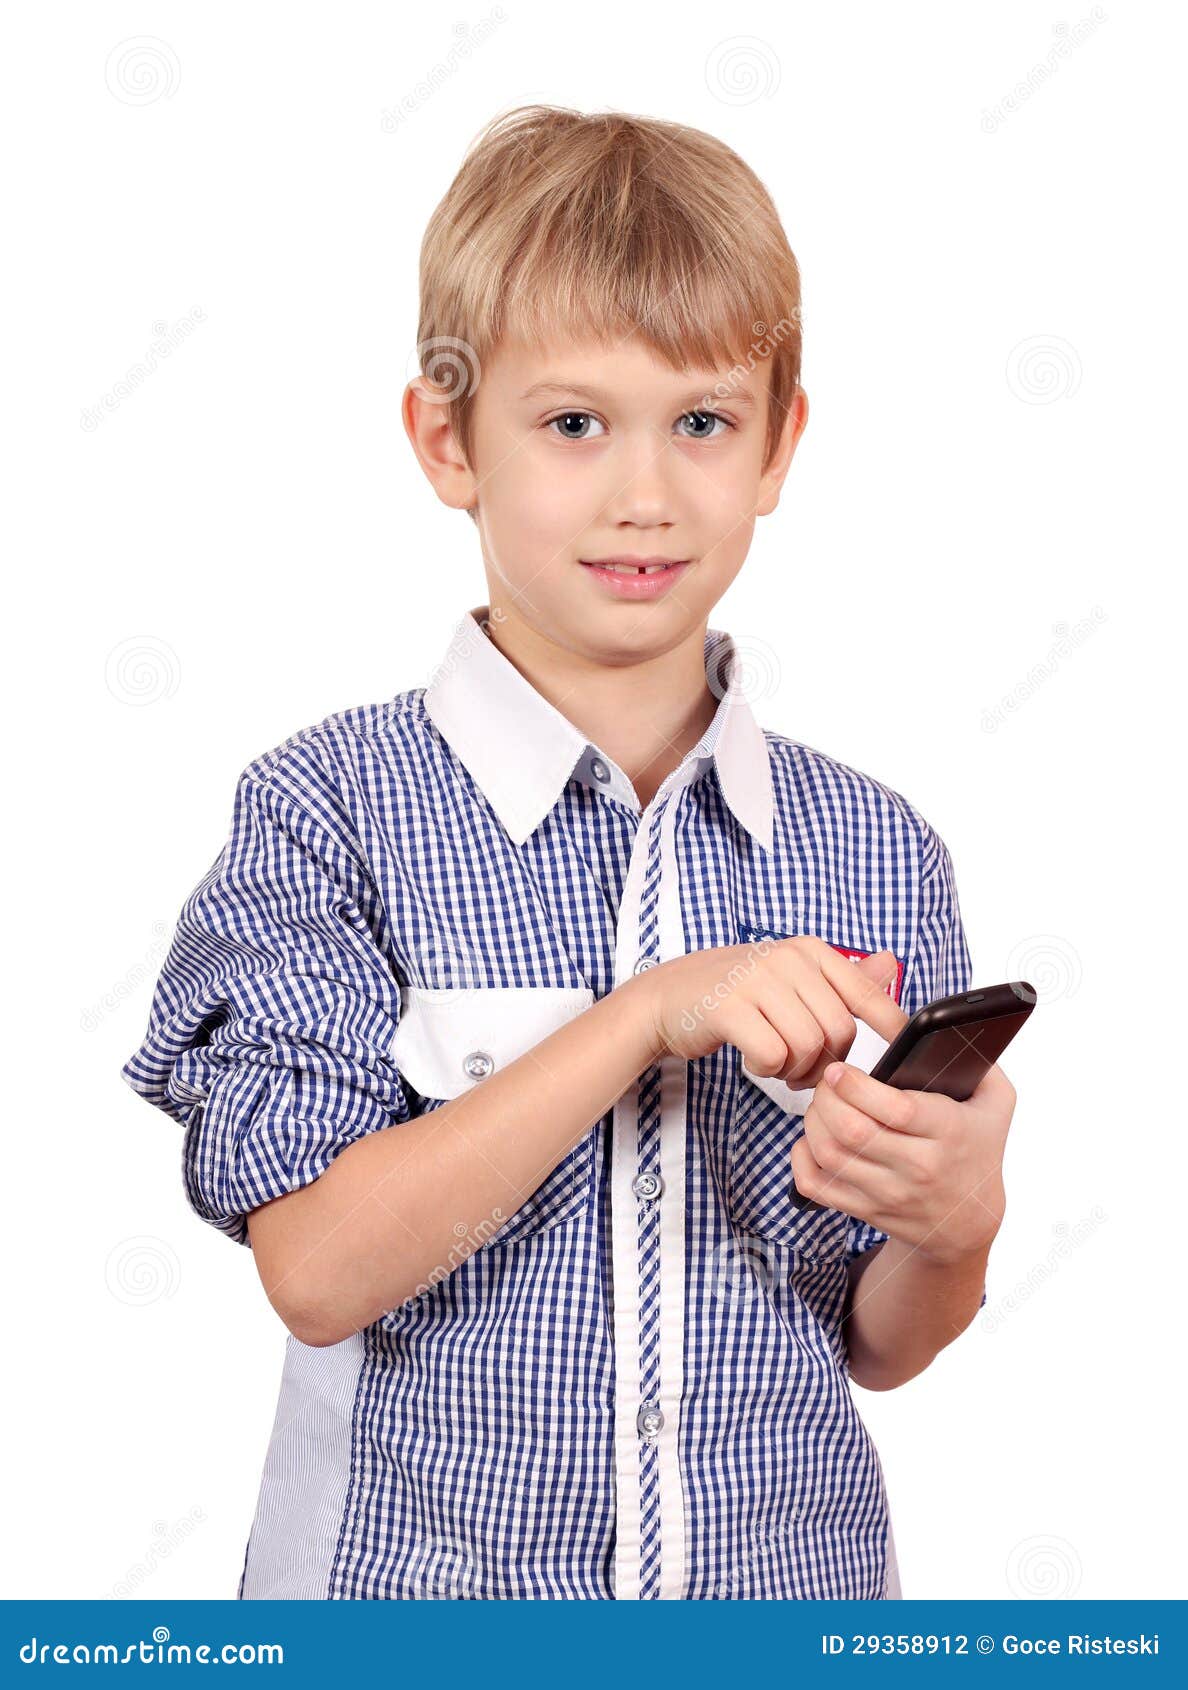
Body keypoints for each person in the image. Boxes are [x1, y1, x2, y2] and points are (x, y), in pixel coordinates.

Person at [121, 104, 1015, 1601]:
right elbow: (319, 1269)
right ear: (445, 439)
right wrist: (646, 1014)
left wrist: (958, 1221)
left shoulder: (875, 848)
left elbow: (878, 1336)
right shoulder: (327, 809)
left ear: (781, 443)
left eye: (703, 421)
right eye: (574, 422)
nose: (644, 493)